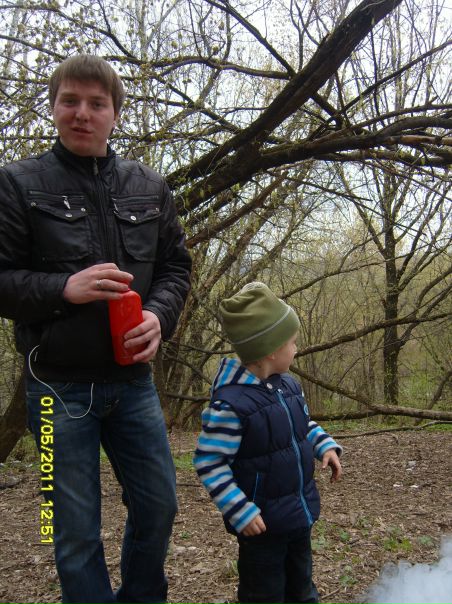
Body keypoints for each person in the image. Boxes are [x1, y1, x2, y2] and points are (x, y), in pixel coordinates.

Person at [0, 55, 192, 604]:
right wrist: (64, 288)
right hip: (54, 389)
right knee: (72, 530)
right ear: (54, 106)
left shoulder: (148, 186)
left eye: (96, 103)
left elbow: (176, 268)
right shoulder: (16, 183)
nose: (82, 113)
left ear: (114, 114)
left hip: (133, 383)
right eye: (70, 100)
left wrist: (159, 316)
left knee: (159, 506)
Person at [193, 282, 342, 604]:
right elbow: (209, 461)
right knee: (264, 594)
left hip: (298, 514)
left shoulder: (288, 386)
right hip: (261, 526)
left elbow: (303, 425)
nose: (297, 349)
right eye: (293, 342)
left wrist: (325, 446)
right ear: (271, 350)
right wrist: (240, 511)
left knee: (302, 590)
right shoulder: (231, 405)